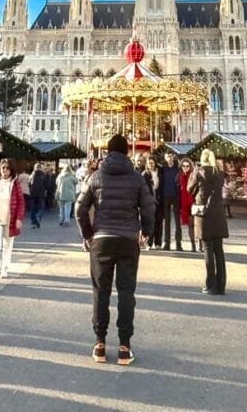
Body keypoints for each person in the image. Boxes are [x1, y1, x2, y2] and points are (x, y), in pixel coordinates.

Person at [76, 134, 155, 366]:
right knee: (126, 293)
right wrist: (146, 232)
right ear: (127, 152)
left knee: (101, 292)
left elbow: (80, 208)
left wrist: (88, 234)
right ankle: (124, 346)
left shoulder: (96, 176)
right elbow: (149, 208)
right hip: (128, 239)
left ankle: (100, 343)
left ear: (108, 152)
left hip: (102, 239)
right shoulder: (136, 178)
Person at [0, 159, 27, 283]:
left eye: (7, 168)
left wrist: (19, 218)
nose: (5, 170)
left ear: (11, 170)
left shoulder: (15, 183)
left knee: (7, 245)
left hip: (10, 219)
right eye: (3, 168)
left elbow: (21, 202)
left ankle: (5, 268)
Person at [195, 150, 229, 295]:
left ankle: (210, 285)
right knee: (219, 250)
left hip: (204, 214)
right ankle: (221, 285)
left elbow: (190, 189)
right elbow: (217, 194)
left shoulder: (199, 172)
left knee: (208, 249)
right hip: (218, 215)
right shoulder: (219, 174)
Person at [157, 151, 183, 252]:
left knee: (177, 221)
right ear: (165, 157)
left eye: (171, 156)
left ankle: (178, 244)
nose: (170, 158)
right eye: (168, 156)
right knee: (167, 222)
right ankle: (167, 243)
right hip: (165, 196)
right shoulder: (162, 169)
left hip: (176, 196)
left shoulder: (178, 168)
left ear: (173, 157)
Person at [177, 158, 198, 251]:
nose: (185, 168)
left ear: (190, 166)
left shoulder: (194, 175)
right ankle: (193, 245)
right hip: (185, 205)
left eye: (187, 166)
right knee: (190, 225)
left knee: (197, 225)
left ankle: (200, 245)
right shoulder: (179, 177)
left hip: (194, 202)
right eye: (183, 166)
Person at [28, 161, 53, 231]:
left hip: (32, 194)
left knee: (33, 208)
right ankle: (38, 216)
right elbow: (47, 185)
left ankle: (33, 223)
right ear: (40, 168)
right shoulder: (43, 175)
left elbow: (29, 184)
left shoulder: (31, 175)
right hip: (41, 194)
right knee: (41, 207)